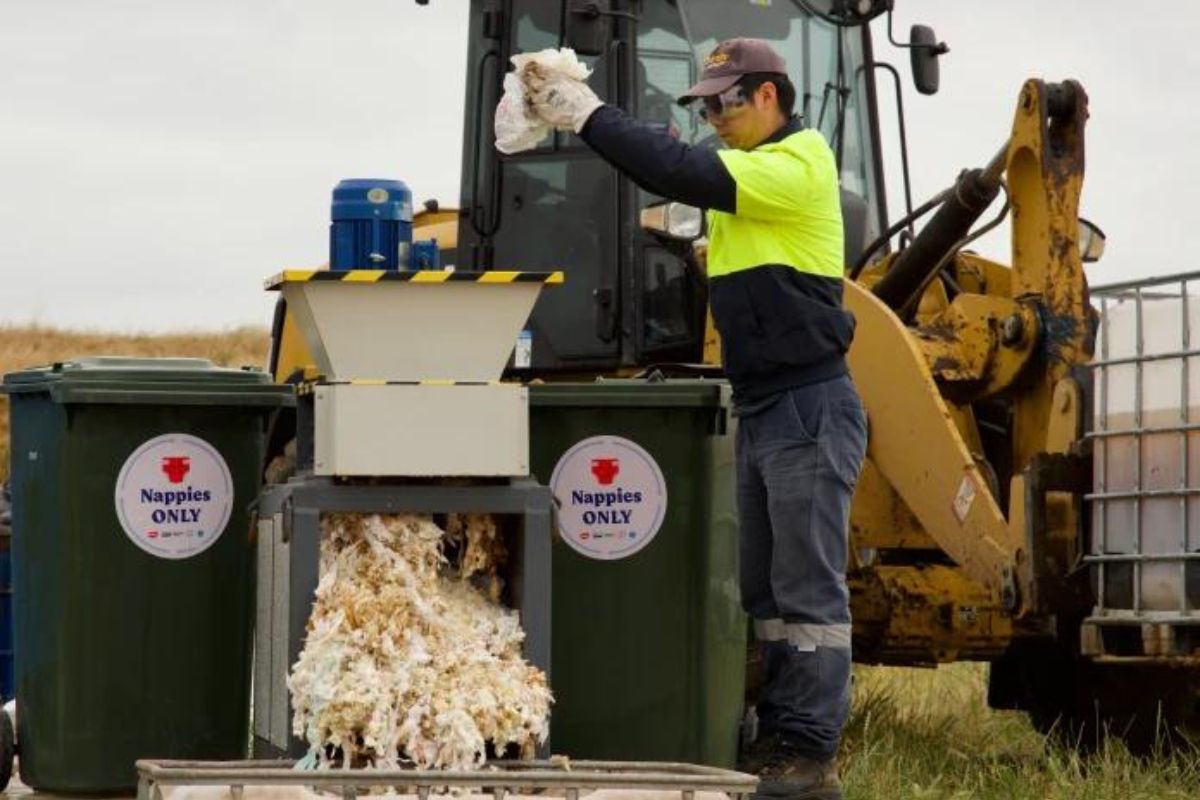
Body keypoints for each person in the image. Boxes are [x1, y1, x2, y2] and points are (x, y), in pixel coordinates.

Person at [524, 38, 868, 800]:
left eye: (724, 101)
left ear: (770, 96)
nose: (711, 116)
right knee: (766, 594)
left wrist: (587, 114)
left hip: (809, 404)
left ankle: (809, 756)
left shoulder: (797, 163)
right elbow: (678, 183)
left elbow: (679, 167)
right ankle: (775, 734)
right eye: (704, 105)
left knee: (807, 592)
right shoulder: (752, 183)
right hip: (766, 402)